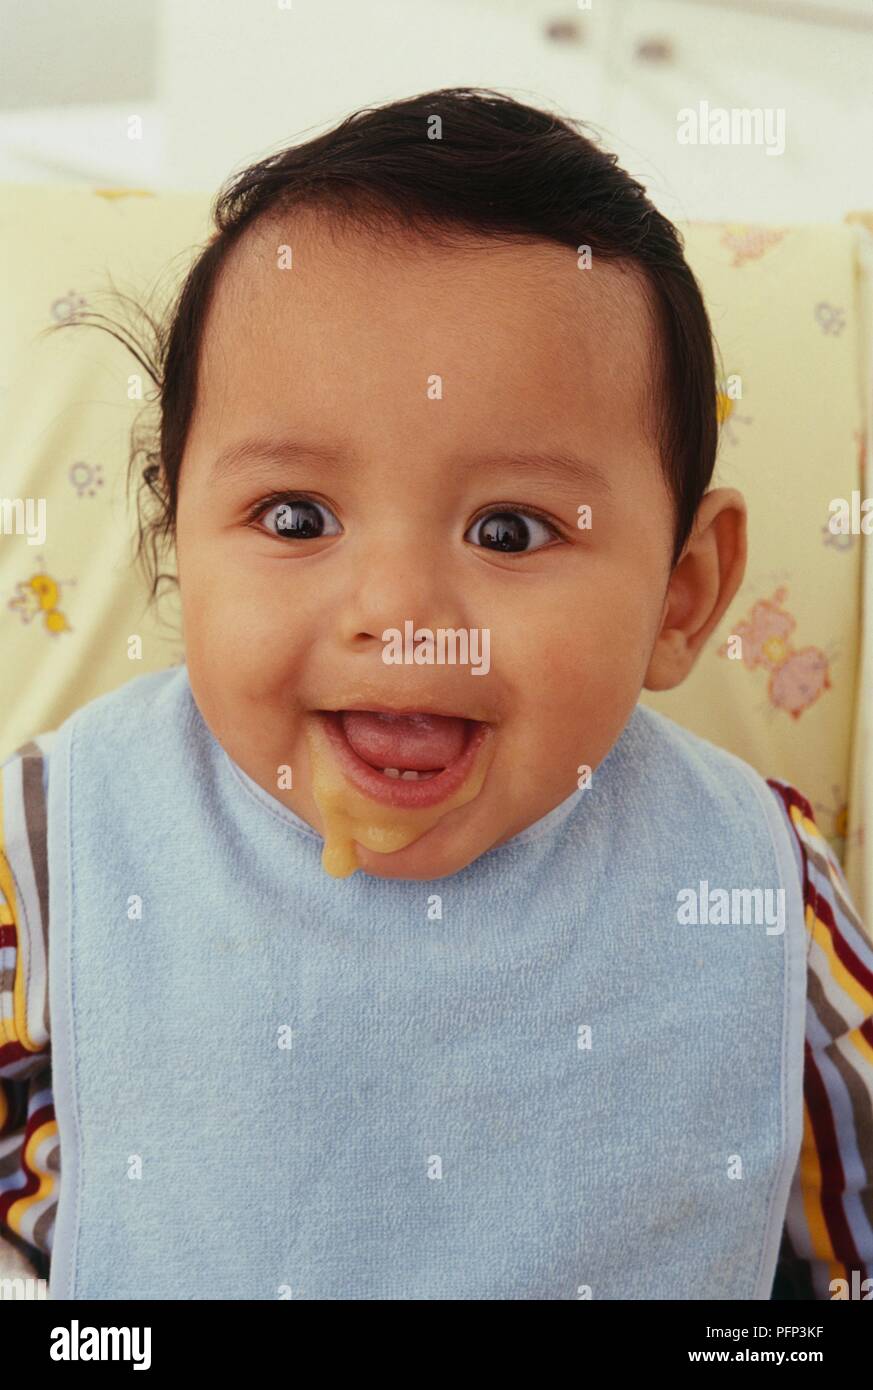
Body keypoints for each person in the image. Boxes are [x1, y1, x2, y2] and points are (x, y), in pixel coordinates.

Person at [1, 88, 871, 1300]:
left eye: (510, 530)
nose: (400, 610)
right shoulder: (60, 841)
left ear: (682, 596)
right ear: (175, 534)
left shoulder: (755, 881)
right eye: (296, 517)